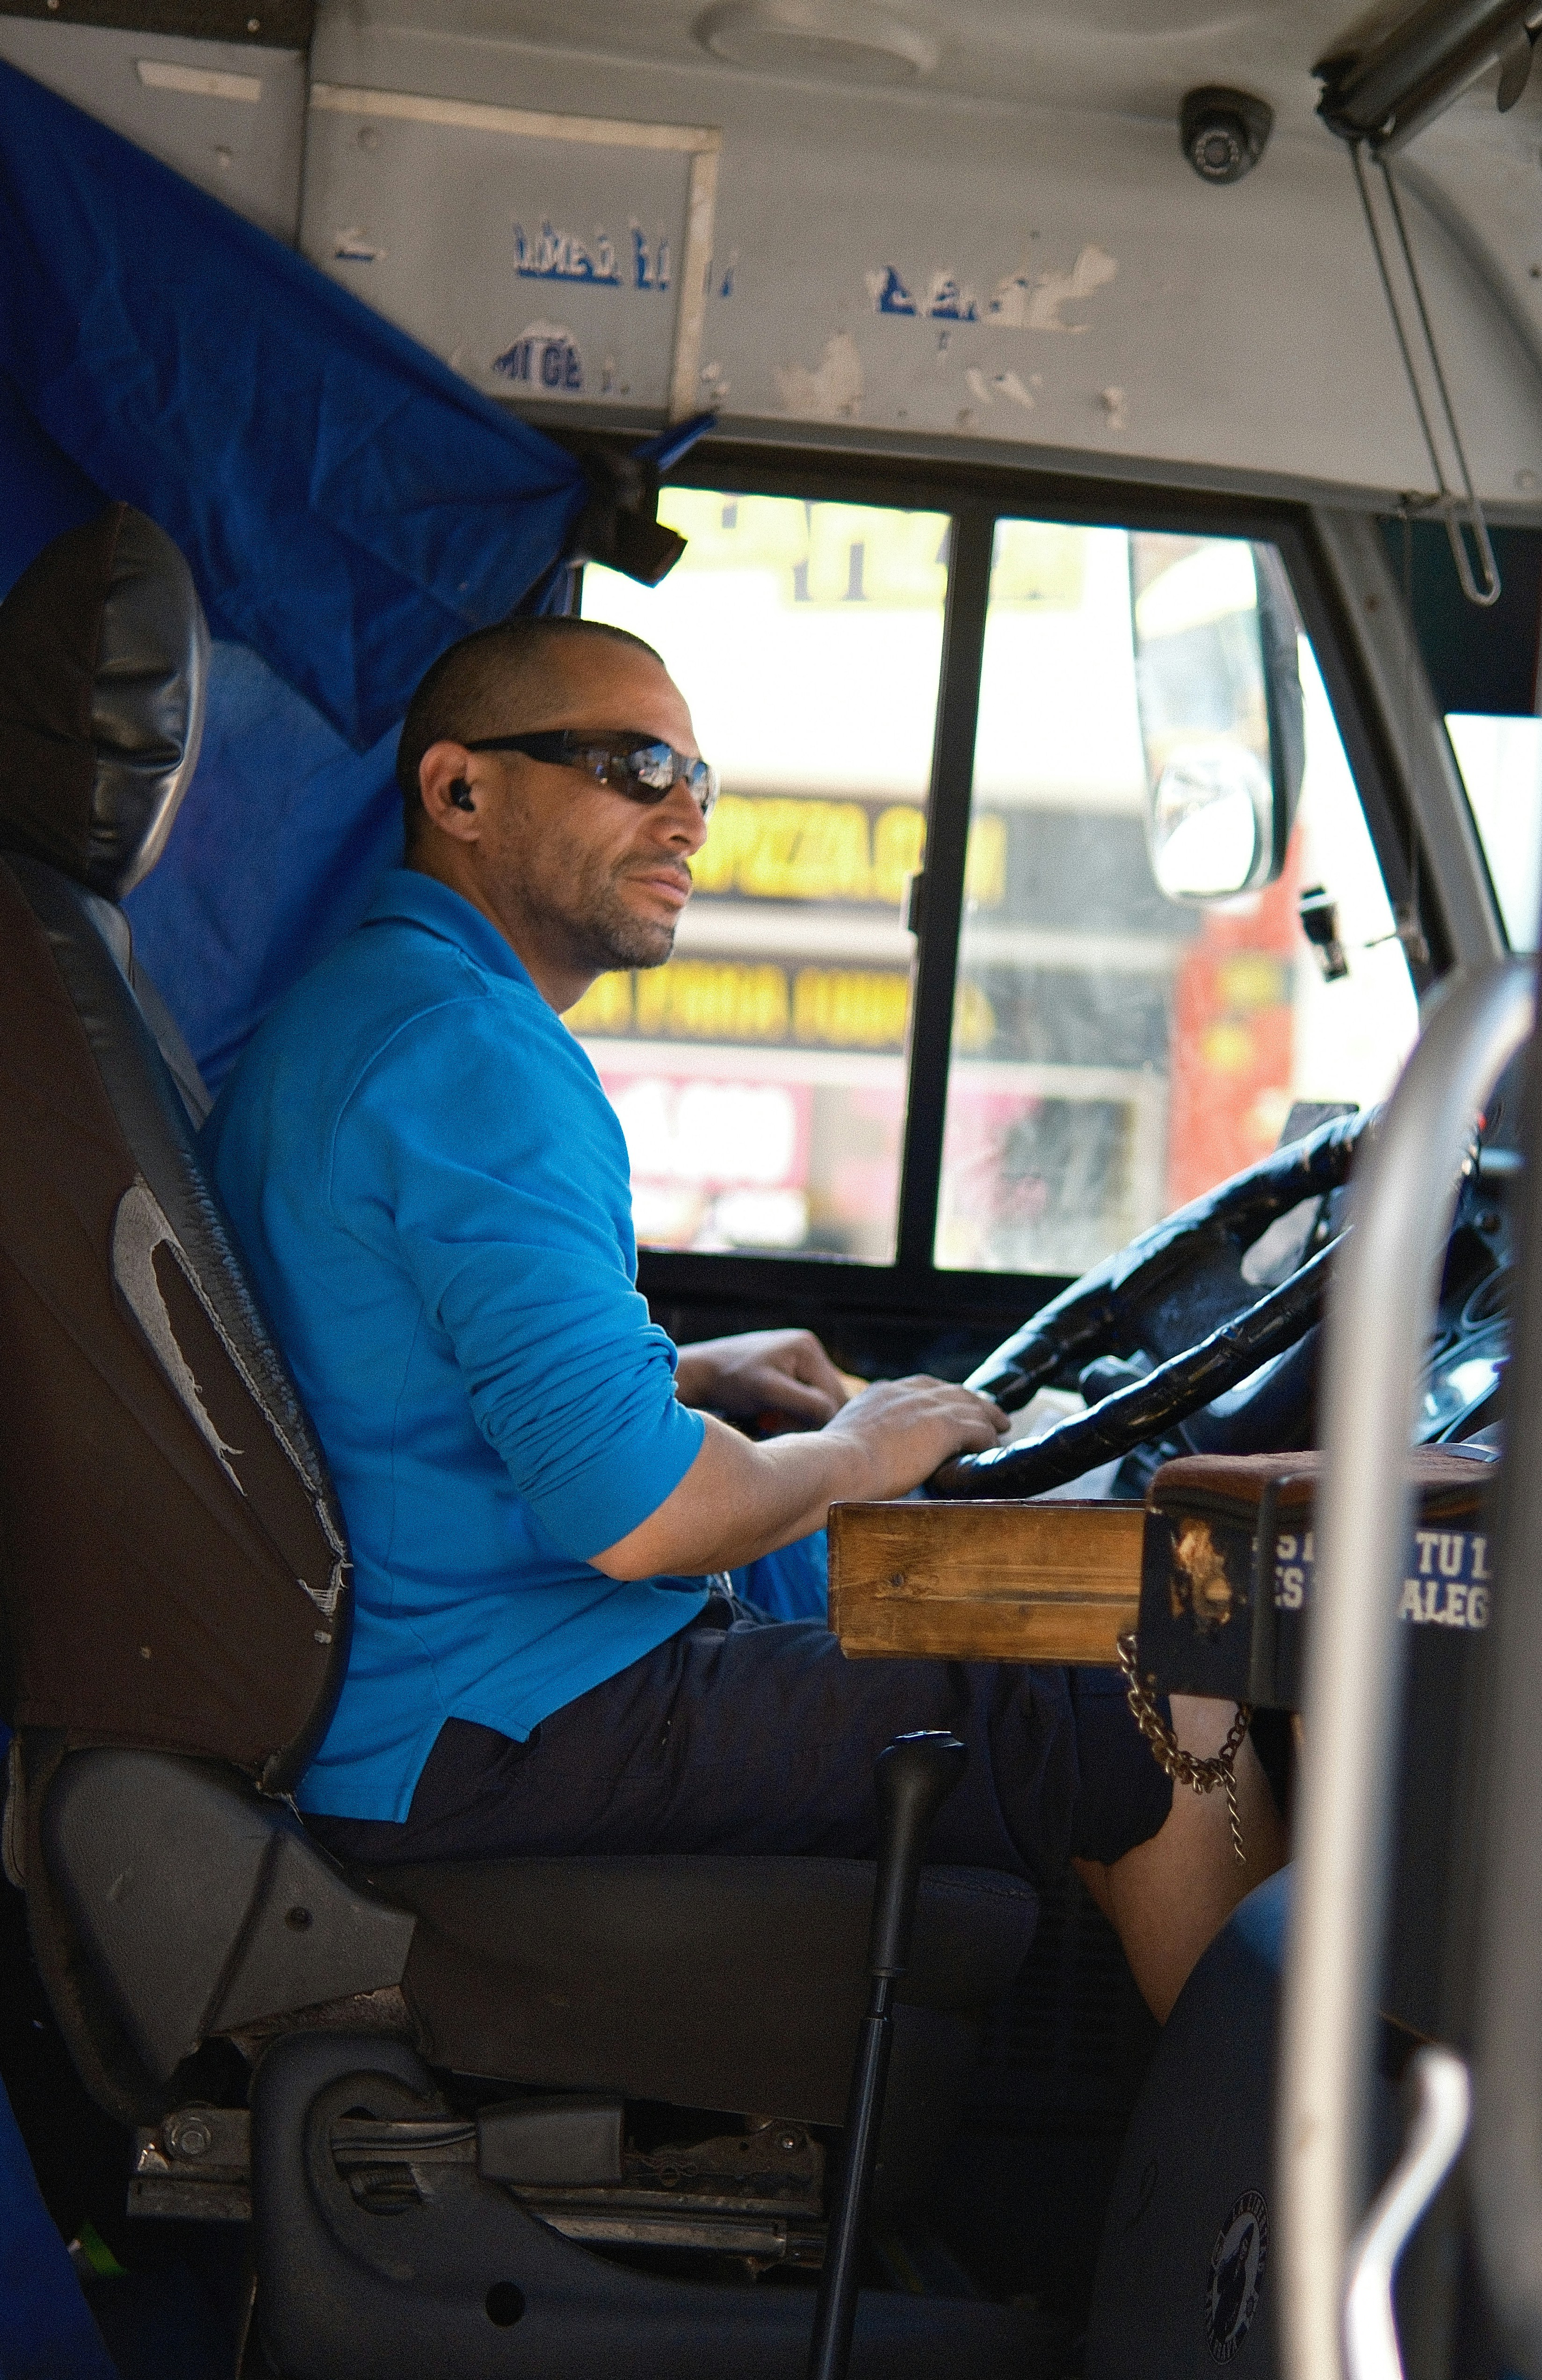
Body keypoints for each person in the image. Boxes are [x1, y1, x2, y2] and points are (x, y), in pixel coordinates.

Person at [202, 615, 1283, 2020]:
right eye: (633, 766)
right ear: (460, 791)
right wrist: (862, 1449)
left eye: (698, 783)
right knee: (1152, 1692)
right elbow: (640, 1520)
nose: (683, 819)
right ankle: (1277, 2207)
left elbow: (368, 1364)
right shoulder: (475, 1055)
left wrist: (697, 1377)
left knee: (1066, 1591)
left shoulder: (364, 1013)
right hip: (491, 1723)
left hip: (432, 1682)